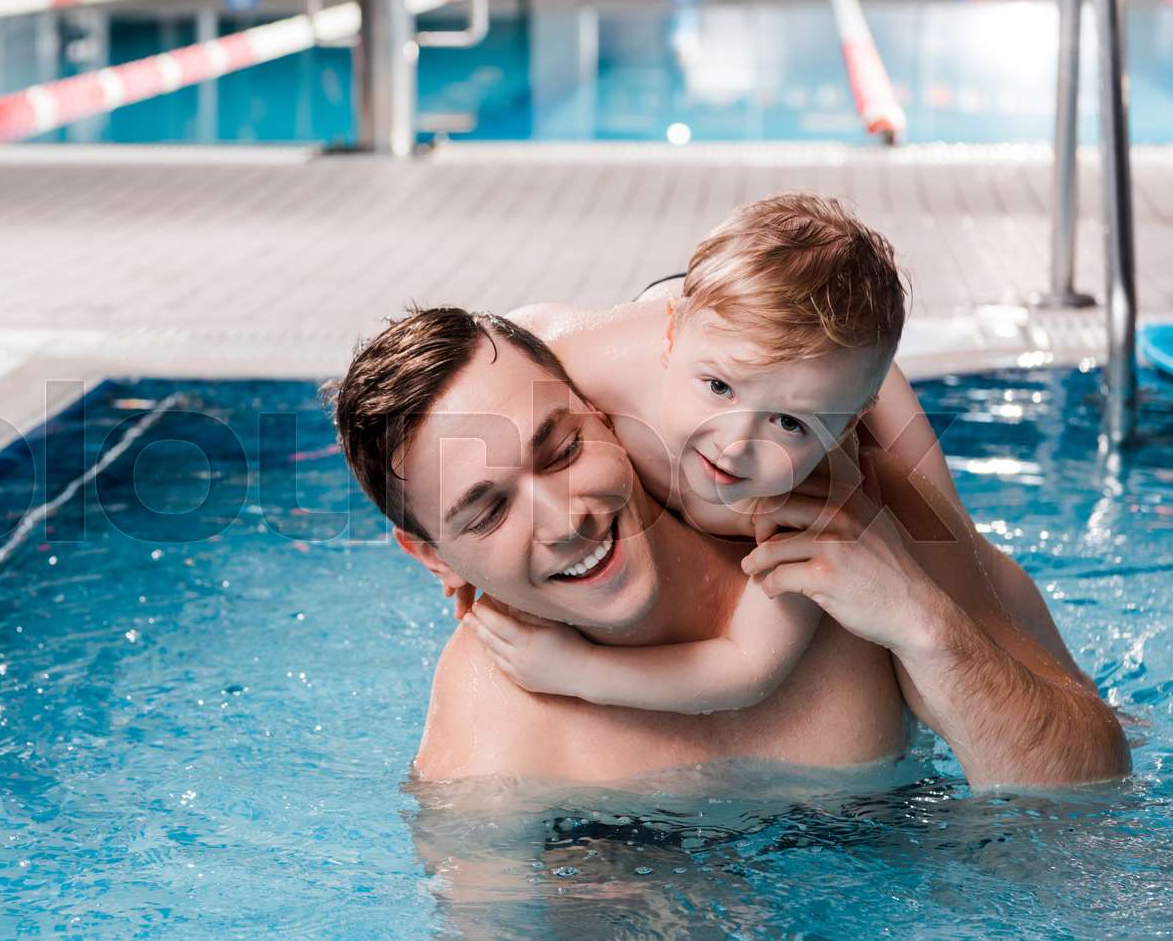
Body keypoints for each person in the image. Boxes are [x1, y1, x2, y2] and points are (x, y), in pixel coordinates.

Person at [328, 305, 1128, 788]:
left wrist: (921, 624)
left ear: (604, 415)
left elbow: (1090, 792)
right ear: (432, 557)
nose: (564, 518)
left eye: (562, 450)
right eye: (487, 510)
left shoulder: (831, 514)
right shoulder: (491, 738)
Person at [465, 193, 1087, 716]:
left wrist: (582, 672)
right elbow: (484, 357)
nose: (737, 447)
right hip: (737, 335)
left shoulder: (813, 494)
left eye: (787, 427)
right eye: (716, 393)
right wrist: (447, 545)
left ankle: (1082, 689)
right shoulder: (591, 365)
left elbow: (748, 668)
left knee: (959, 555)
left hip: (834, 376)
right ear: (671, 336)